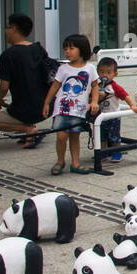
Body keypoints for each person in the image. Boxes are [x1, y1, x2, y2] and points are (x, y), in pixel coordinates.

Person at [0, 13, 53, 148]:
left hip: (25, 109)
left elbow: (3, 86)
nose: (6, 31)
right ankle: (30, 133)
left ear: (14, 29)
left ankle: (29, 130)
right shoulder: (39, 48)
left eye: (7, 27)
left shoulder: (8, 55)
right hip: (48, 106)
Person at [43, 33, 96, 175]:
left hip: (78, 110)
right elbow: (54, 87)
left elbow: (95, 86)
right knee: (61, 136)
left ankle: (76, 163)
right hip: (61, 108)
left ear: (82, 49)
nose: (67, 52)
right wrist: (47, 103)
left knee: (75, 136)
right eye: (65, 49)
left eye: (71, 48)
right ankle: (60, 161)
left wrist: (94, 102)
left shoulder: (90, 68)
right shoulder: (63, 69)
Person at [91, 56, 137, 163]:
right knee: (101, 137)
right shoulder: (96, 86)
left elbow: (125, 96)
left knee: (114, 136)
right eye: (102, 72)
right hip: (100, 116)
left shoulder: (115, 87)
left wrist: (132, 105)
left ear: (115, 74)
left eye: (108, 72)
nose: (105, 75)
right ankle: (103, 152)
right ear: (97, 72)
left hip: (113, 116)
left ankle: (117, 152)